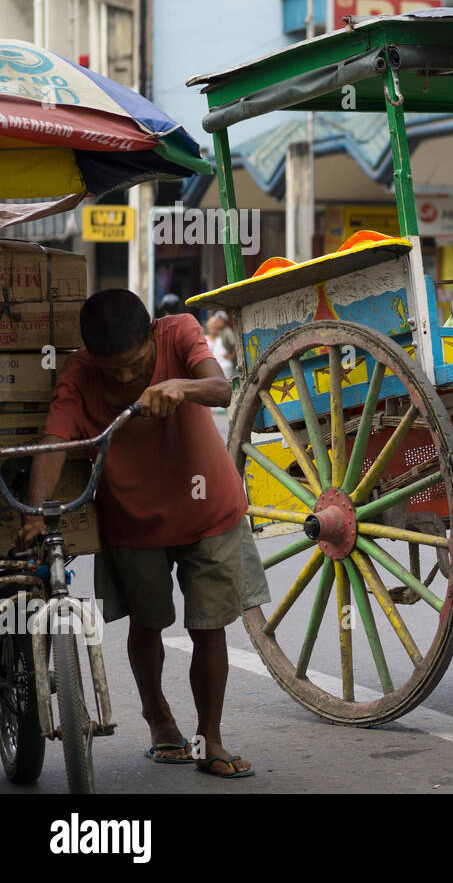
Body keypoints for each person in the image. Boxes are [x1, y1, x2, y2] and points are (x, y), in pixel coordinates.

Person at [17, 289, 269, 778]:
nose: (128, 378)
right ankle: (158, 721)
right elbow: (53, 441)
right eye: (113, 371)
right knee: (147, 624)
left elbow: (221, 388)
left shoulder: (180, 333)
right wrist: (35, 510)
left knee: (209, 627)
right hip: (132, 522)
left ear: (153, 334)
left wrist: (180, 385)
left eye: (136, 366)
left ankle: (210, 739)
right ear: (91, 357)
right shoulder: (78, 375)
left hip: (209, 512)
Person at [204, 311, 236, 384]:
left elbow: (234, 344)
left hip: (226, 367)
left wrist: (231, 356)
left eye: (220, 320)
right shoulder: (219, 333)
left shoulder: (227, 331)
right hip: (216, 369)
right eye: (217, 321)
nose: (218, 323)